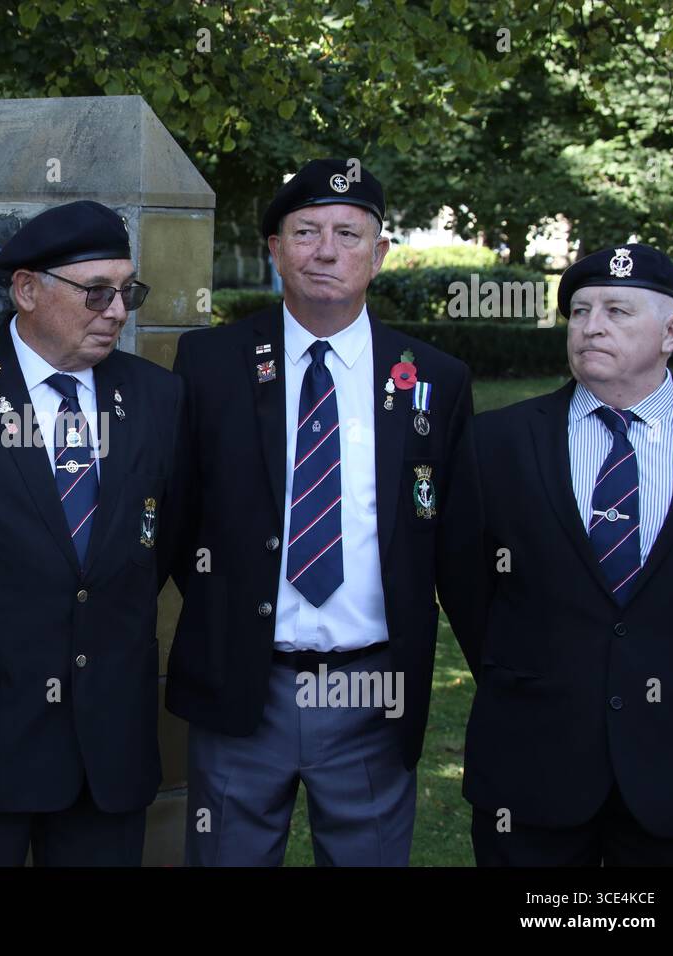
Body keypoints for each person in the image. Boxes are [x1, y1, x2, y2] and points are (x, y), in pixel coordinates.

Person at [166, 159, 474, 865]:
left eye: (347, 232)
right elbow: (181, 522)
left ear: (381, 253)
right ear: (275, 248)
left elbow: (451, 541)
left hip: (371, 693)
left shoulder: (435, 378)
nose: (325, 250)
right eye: (304, 231)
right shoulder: (211, 364)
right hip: (245, 687)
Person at [0, 200, 184, 865]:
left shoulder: (159, 401)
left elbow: (152, 550)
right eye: (96, 291)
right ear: (26, 290)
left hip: (102, 757)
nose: (116, 310)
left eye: (127, 290)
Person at [444, 243, 673, 865]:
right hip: (532, 761)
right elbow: (465, 584)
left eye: (617, 311)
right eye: (580, 311)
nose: (591, 326)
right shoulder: (496, 442)